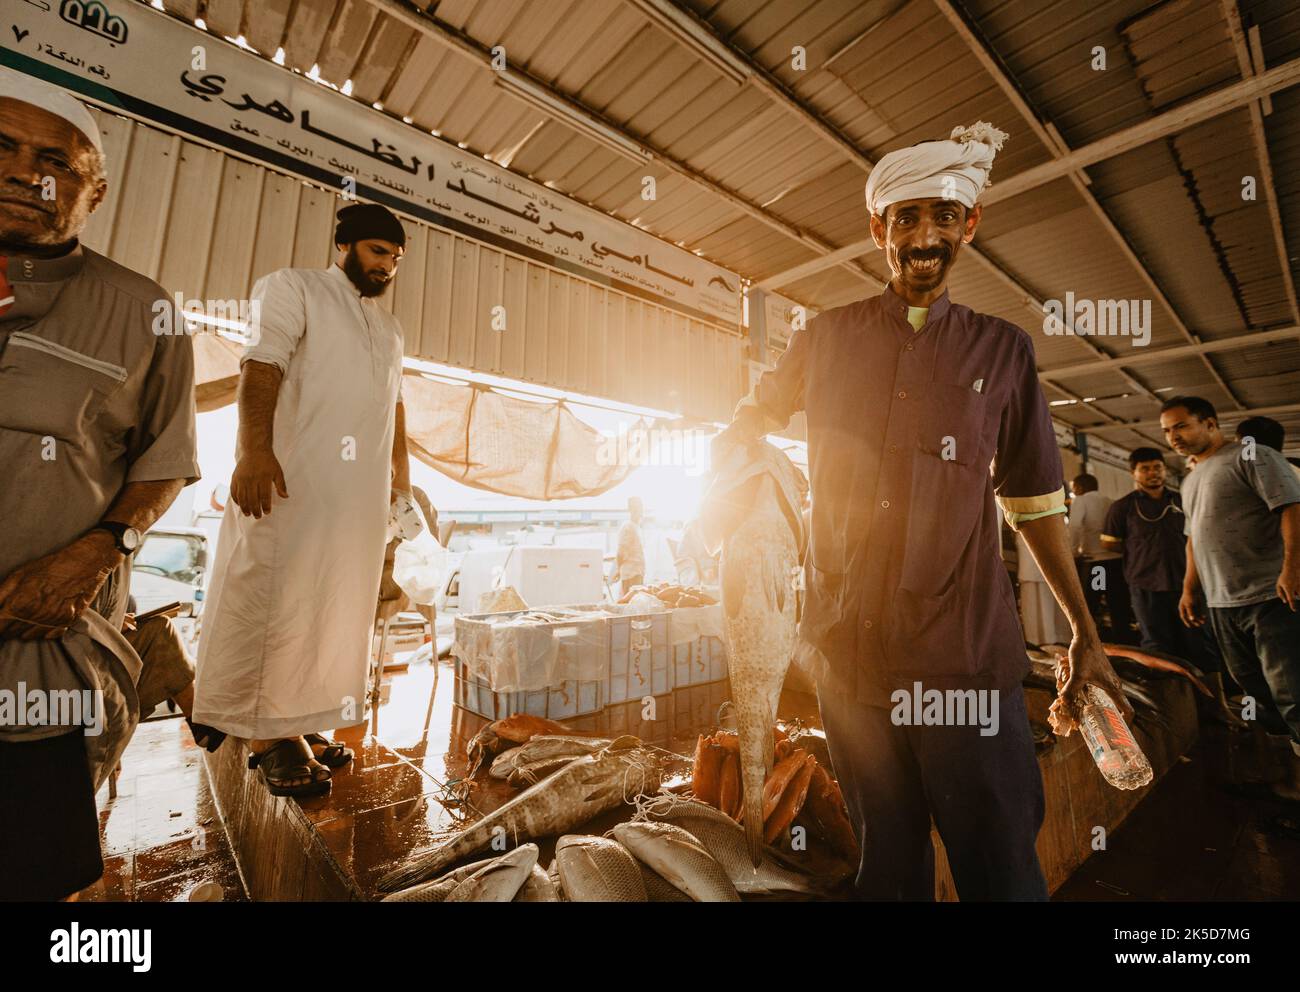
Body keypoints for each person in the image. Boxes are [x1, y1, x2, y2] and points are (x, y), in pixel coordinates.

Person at [712, 122, 1127, 901]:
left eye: (943, 215)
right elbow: (751, 418)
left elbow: (1033, 501)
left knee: (999, 862)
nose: (924, 235)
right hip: (847, 658)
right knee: (885, 864)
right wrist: (735, 460)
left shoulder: (1004, 352)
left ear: (969, 224)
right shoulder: (824, 340)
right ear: (879, 230)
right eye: (905, 218)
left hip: (962, 661)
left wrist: (1085, 630)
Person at [0, 70, 199, 900]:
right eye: (4, 148)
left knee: (34, 870)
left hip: (38, 645)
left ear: (94, 193)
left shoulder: (143, 311)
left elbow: (165, 461)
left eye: (57, 161)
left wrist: (96, 553)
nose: (24, 173)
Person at [193, 203, 411, 798]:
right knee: (277, 595)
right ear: (344, 247)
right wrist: (254, 452)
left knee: (337, 605)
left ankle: (304, 721)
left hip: (355, 499)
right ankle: (268, 738)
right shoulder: (294, 287)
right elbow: (261, 366)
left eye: (394, 256)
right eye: (376, 251)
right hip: (292, 479)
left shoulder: (389, 329)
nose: (387, 265)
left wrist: (401, 483)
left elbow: (394, 407)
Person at [1162, 396, 1300, 800]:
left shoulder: (1252, 455)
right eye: (1168, 430)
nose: (1175, 437)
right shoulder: (1188, 479)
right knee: (1254, 692)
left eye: (1182, 426)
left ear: (1210, 422)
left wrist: (1291, 570)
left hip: (1270, 596)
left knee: (1292, 691)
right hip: (1223, 604)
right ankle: (1286, 774)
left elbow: (1291, 507)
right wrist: (1189, 590)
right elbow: (1193, 541)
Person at [1100, 447, 1232, 715]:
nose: (1153, 473)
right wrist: (1144, 556)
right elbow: (1112, 544)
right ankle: (1171, 712)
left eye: (1157, 467)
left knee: (1201, 644)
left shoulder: (1182, 500)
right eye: (1145, 468)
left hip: (1189, 586)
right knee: (1157, 648)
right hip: (1145, 587)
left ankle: (1218, 706)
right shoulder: (1122, 507)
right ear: (1133, 473)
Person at [1068, 473, 1131, 640]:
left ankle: (1093, 643)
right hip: (1116, 563)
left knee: (1092, 605)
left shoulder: (1081, 501)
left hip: (1097, 565)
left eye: (1074, 488)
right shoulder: (1110, 502)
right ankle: (1124, 643)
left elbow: (1075, 527)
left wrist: (1072, 553)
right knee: (1118, 606)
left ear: (1080, 487)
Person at [615, 496, 646, 594]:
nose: (639, 510)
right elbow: (621, 552)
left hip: (638, 573)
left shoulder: (637, 527)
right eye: (635, 507)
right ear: (630, 509)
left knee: (636, 603)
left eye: (640, 506)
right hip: (630, 574)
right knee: (631, 604)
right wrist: (618, 570)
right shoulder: (627, 527)